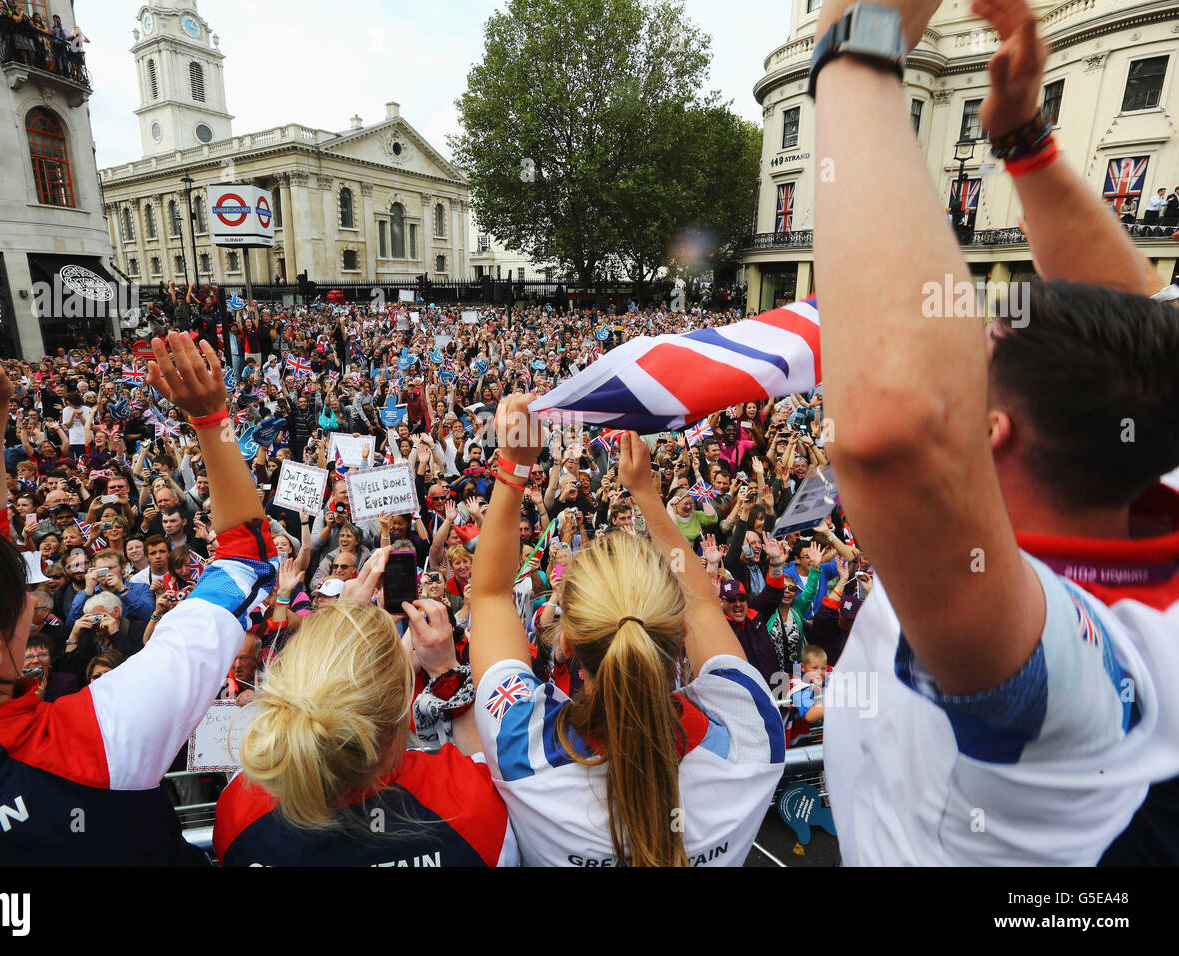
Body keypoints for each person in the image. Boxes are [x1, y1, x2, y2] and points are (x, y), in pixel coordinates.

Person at [813, 0, 1179, 865]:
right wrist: (1024, 140)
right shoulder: (1147, 444)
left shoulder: (1082, 679)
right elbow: (1149, 328)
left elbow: (898, 430)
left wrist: (856, 42)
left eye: (968, 352)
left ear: (989, 429)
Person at [0, 323, 277, 865]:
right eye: (22, 591)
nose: (35, 599)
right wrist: (211, 420)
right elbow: (247, 561)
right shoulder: (98, 741)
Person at [469, 400, 785, 866]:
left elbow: (491, 596)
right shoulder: (755, 733)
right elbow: (702, 604)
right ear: (680, 638)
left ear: (568, 642)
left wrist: (515, 464)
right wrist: (647, 494)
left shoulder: (524, 748)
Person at [212, 555, 519, 867]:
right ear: (401, 702)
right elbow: (485, 775)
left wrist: (337, 628)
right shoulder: (470, 803)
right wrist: (445, 669)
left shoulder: (241, 810)